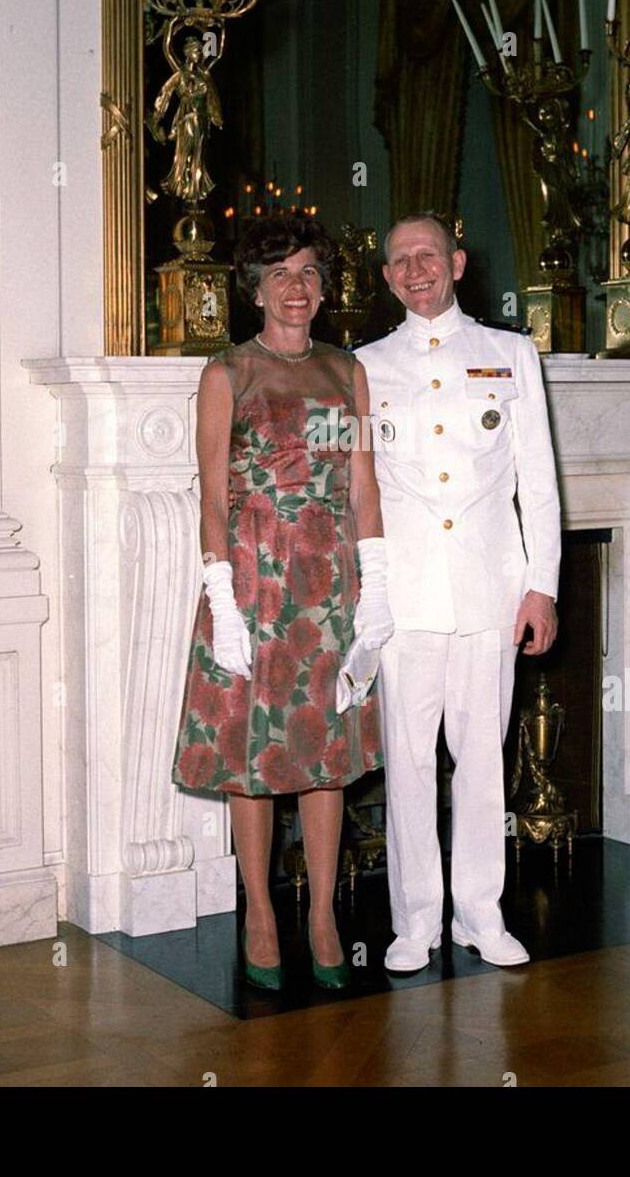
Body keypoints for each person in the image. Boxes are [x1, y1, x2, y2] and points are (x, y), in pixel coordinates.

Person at [171, 214, 394, 991]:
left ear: (324, 286)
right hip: (256, 582)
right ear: (256, 289)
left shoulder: (348, 371)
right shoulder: (226, 372)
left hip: (331, 582)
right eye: (279, 275)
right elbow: (210, 496)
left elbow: (363, 484)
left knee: (327, 755)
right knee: (254, 756)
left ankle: (324, 914)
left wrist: (377, 590)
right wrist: (220, 601)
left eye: (308, 272)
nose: (296, 287)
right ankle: (261, 911)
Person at [355, 212, 561, 971]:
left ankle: (481, 914)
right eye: (400, 260)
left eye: (428, 256)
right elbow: (359, 491)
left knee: (481, 760)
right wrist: (366, 593)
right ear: (387, 277)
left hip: (489, 594)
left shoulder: (510, 354)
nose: (416, 270)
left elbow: (538, 481)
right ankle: (416, 923)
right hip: (406, 600)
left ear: (458, 262)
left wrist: (542, 587)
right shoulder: (365, 366)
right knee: (408, 763)